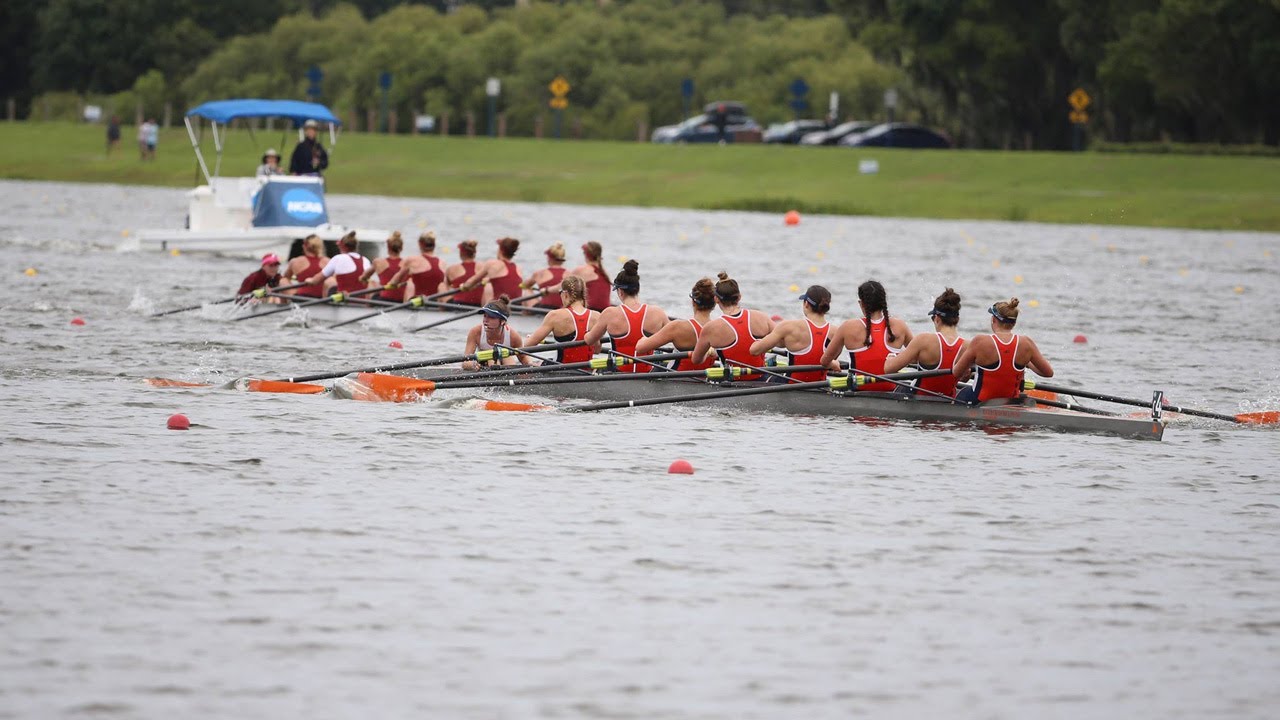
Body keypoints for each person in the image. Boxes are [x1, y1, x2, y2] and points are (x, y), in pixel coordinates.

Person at [952, 298, 1053, 404]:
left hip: (980, 402)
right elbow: (1048, 373)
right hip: (1011, 403)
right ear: (1014, 323)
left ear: (993, 320)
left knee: (961, 393)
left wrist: (967, 372)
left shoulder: (980, 341)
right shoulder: (1026, 343)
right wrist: (1027, 362)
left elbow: (956, 372)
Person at [821, 280, 913, 392]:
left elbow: (824, 361)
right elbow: (918, 358)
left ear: (861, 303)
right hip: (890, 392)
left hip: (858, 391)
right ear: (883, 302)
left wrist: (834, 364)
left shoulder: (848, 327)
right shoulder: (900, 326)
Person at [583, 260, 669, 373]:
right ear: (637, 289)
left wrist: (587, 330)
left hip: (618, 376)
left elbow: (589, 340)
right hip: (647, 376)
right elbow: (676, 336)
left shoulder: (610, 313)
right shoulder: (658, 312)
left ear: (620, 291)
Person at [689, 271, 775, 380]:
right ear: (739, 297)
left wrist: (710, 352)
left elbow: (696, 360)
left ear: (716, 299)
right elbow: (782, 341)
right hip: (762, 381)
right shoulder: (761, 317)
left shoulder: (711, 328)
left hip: (732, 384)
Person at [884, 288, 966, 398]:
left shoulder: (923, 340)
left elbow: (889, 369)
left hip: (918, 399)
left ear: (936, 319)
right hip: (948, 400)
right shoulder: (967, 346)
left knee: (902, 385)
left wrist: (891, 357)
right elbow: (965, 378)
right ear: (957, 319)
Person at [748, 285, 832, 382]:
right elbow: (827, 360)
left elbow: (754, 351)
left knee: (765, 377)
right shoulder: (835, 332)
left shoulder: (788, 327)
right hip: (820, 385)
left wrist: (758, 341)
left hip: (792, 385)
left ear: (806, 304)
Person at [636, 277, 718, 372]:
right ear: (714, 303)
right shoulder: (720, 329)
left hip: (675, 378)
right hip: (704, 379)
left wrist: (644, 339)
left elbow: (640, 348)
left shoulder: (677, 327)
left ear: (693, 302)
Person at [522, 275, 600, 365]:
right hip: (586, 370)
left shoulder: (555, 315)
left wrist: (529, 339)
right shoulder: (596, 316)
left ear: (565, 294)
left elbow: (527, 346)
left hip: (560, 369)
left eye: (560, 293)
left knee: (534, 363)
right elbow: (597, 350)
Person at [462, 296, 532, 371]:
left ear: (502, 321)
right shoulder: (476, 332)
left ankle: (509, 375)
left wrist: (531, 365)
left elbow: (523, 358)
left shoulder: (513, 336)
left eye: (491, 317)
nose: (485, 320)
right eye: (485, 316)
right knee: (491, 358)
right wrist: (472, 365)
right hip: (483, 365)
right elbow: (466, 361)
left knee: (507, 357)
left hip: (507, 365)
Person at [458, 237, 523, 305]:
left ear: (500, 250)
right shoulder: (518, 267)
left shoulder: (492, 264)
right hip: (516, 306)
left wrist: (463, 286)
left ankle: (484, 310)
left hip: (500, 308)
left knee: (488, 286)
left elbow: (469, 283)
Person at [305, 232, 370, 295]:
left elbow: (316, 280)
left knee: (328, 283)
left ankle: (326, 303)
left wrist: (310, 280)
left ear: (342, 246)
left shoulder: (338, 258)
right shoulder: (366, 260)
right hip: (362, 301)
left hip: (343, 300)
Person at [388, 231, 447, 300]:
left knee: (410, 283)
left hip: (417, 303)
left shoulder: (412, 260)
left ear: (420, 244)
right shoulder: (442, 263)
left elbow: (395, 282)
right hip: (435, 303)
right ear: (434, 245)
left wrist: (389, 285)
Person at [521, 242, 569, 309]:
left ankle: (525, 312)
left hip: (544, 308)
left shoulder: (540, 273)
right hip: (563, 309)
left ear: (549, 258)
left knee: (527, 291)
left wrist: (525, 286)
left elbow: (524, 285)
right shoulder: (570, 274)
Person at [362, 231, 405, 302]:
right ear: (401, 248)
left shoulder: (378, 262)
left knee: (371, 282)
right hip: (402, 301)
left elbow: (363, 277)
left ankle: (366, 305)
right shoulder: (407, 263)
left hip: (384, 299)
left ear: (388, 247)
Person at [571, 241, 612, 311]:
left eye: (584, 253)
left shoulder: (582, 270)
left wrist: (549, 290)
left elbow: (562, 286)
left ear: (586, 254)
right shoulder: (604, 273)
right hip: (604, 311)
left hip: (590, 311)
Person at [446, 240, 485, 306]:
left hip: (459, 305)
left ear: (461, 253)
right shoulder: (484, 267)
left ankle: (441, 310)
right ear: (474, 253)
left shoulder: (452, 269)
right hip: (479, 305)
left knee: (441, 286)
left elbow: (447, 287)